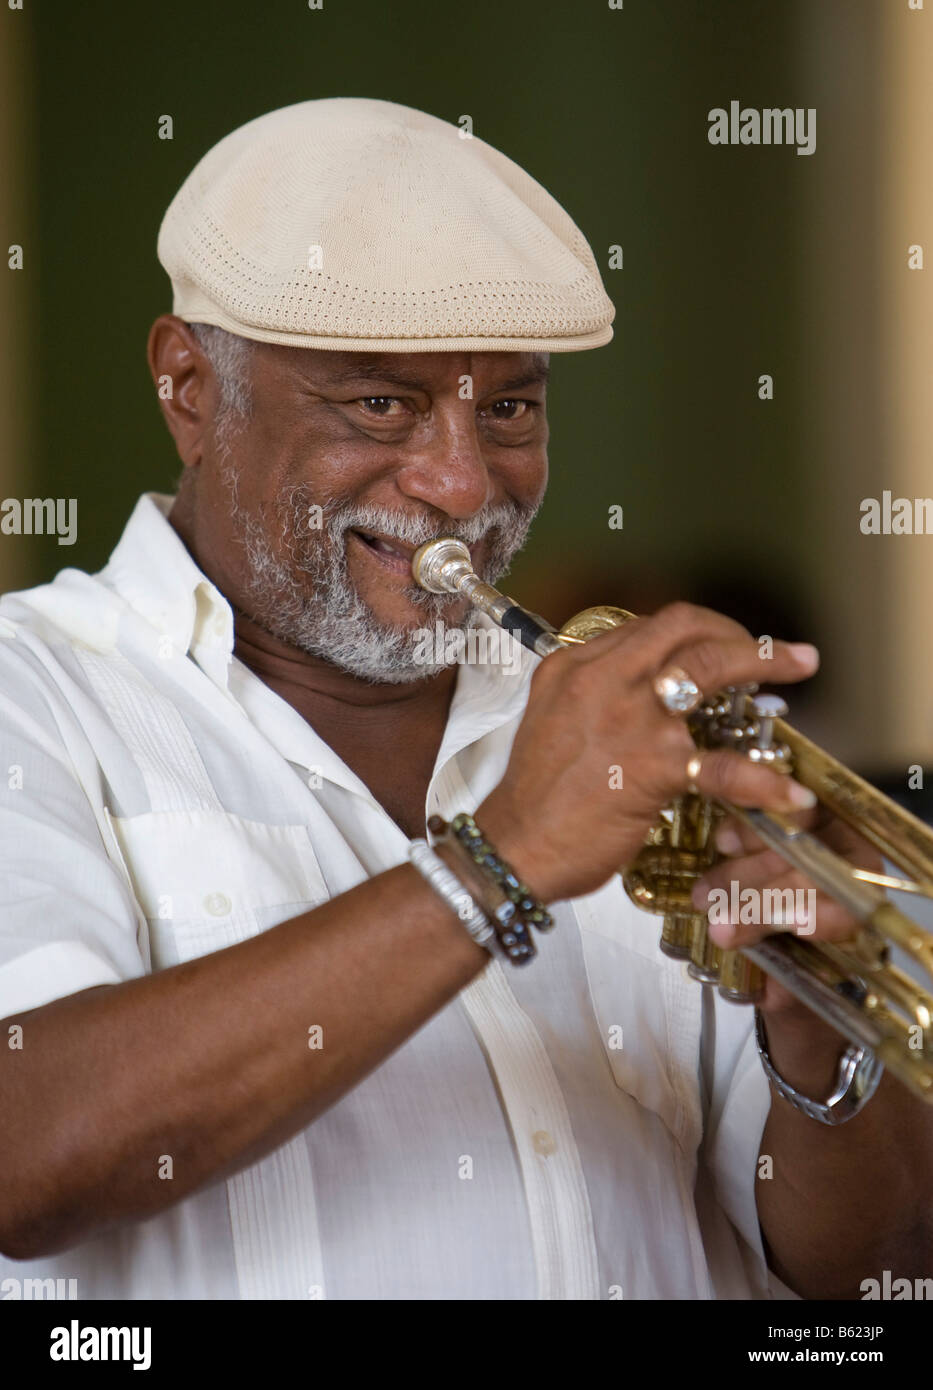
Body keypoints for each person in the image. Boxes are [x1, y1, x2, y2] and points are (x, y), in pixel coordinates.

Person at [0, 98, 928, 1302]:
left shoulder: (625, 725)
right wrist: (501, 860)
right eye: (380, 403)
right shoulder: (37, 692)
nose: (459, 481)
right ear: (189, 384)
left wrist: (826, 1021)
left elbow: (880, 1278)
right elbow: (26, 1153)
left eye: (510, 409)